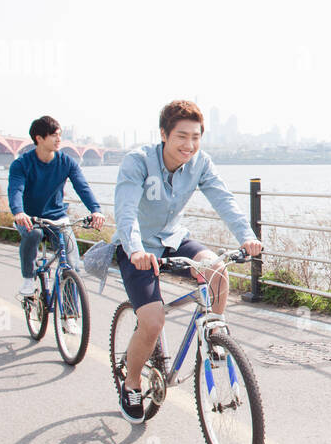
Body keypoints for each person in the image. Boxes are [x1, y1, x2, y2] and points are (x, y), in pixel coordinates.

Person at [112, 100, 262, 423]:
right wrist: (135, 248)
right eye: (182, 136)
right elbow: (125, 210)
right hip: (138, 248)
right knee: (152, 321)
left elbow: (224, 200)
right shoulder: (137, 163)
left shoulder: (201, 163)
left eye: (196, 137)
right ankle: (132, 382)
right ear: (164, 134)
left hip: (174, 238)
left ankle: (214, 338)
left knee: (217, 270)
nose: (189, 145)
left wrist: (246, 236)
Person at [8, 115, 104, 296]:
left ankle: (69, 317)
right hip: (30, 218)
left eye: (59, 135)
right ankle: (28, 279)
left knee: (72, 265)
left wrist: (96, 210)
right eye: (53, 135)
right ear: (39, 138)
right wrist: (19, 212)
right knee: (34, 233)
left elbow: (82, 187)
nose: (59, 139)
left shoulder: (66, 162)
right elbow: (16, 190)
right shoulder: (21, 164)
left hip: (58, 219)